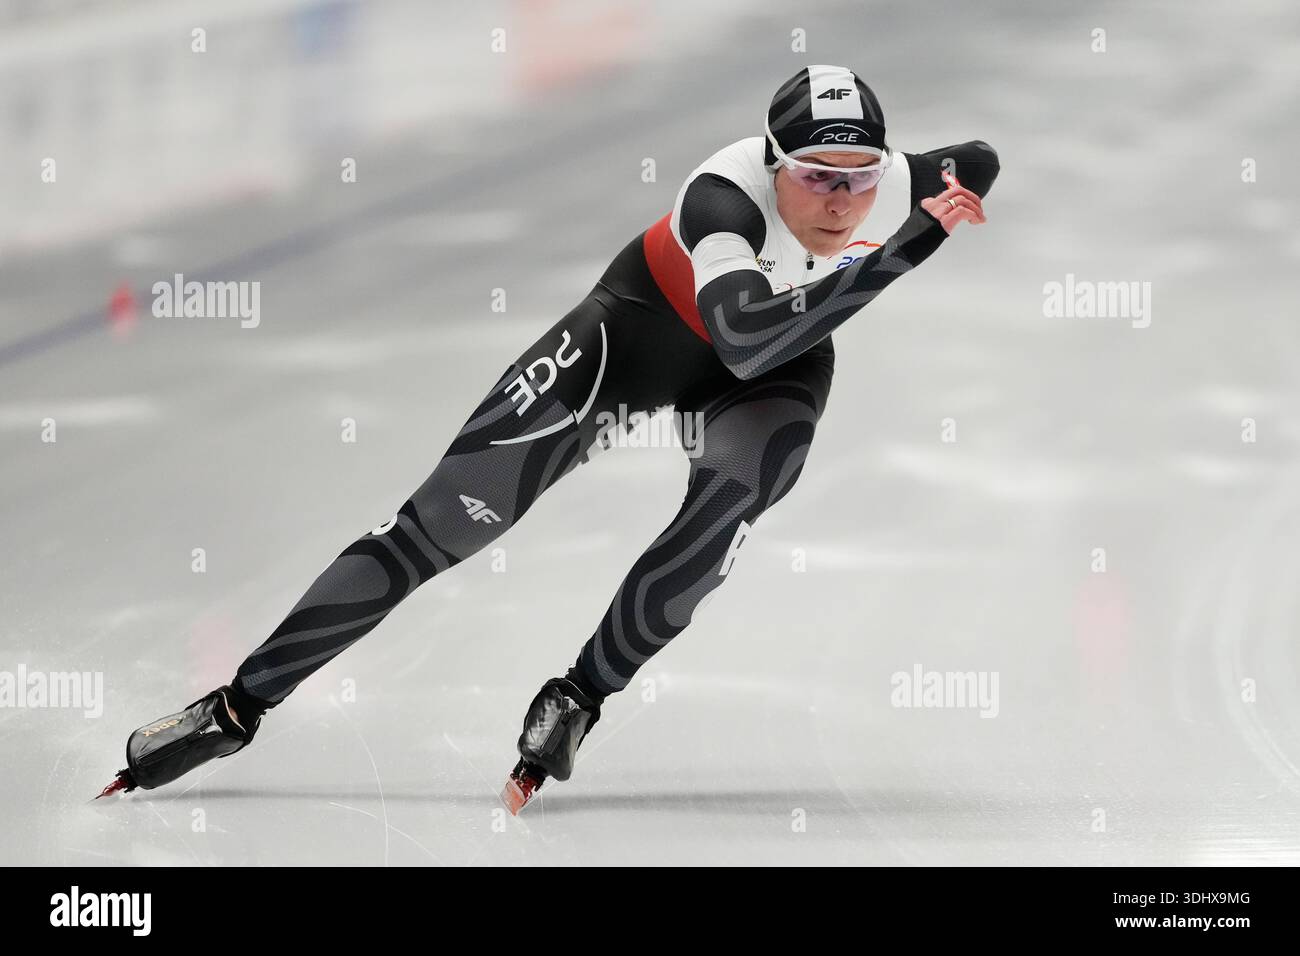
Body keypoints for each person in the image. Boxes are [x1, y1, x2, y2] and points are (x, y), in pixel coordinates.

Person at [99, 64, 998, 813]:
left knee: (731, 500)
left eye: (860, 176)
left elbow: (977, 159)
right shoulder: (724, 196)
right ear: (772, 164)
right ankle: (233, 707)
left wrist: (926, 194)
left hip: (774, 371)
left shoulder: (893, 184)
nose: (841, 199)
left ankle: (578, 699)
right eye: (815, 175)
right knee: (442, 525)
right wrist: (910, 245)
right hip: (635, 341)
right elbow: (745, 335)